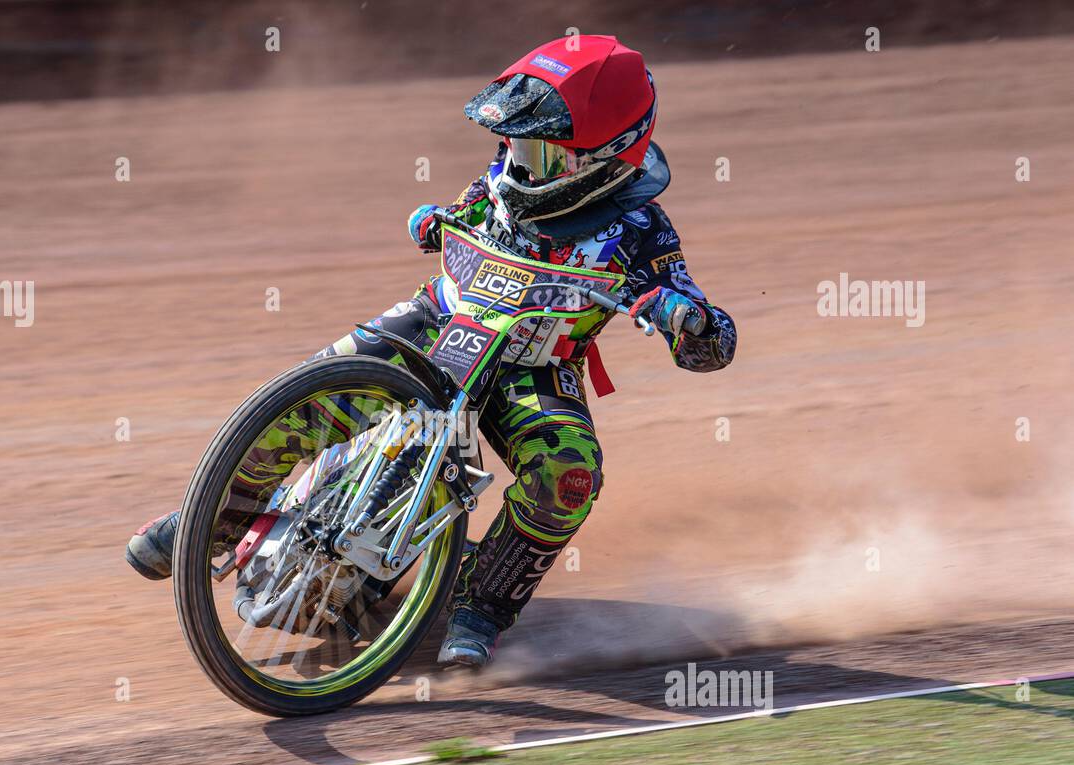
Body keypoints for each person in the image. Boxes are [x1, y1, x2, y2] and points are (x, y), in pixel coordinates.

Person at [126, 35, 737, 669]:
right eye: (516, 144)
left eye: (540, 151)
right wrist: (436, 219)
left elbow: (715, 343)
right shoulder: (508, 175)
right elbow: (466, 209)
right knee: (313, 389)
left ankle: (483, 607)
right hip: (438, 318)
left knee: (568, 474)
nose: (520, 163)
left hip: (531, 367)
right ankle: (211, 520)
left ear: (603, 159)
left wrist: (687, 322)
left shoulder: (642, 231)